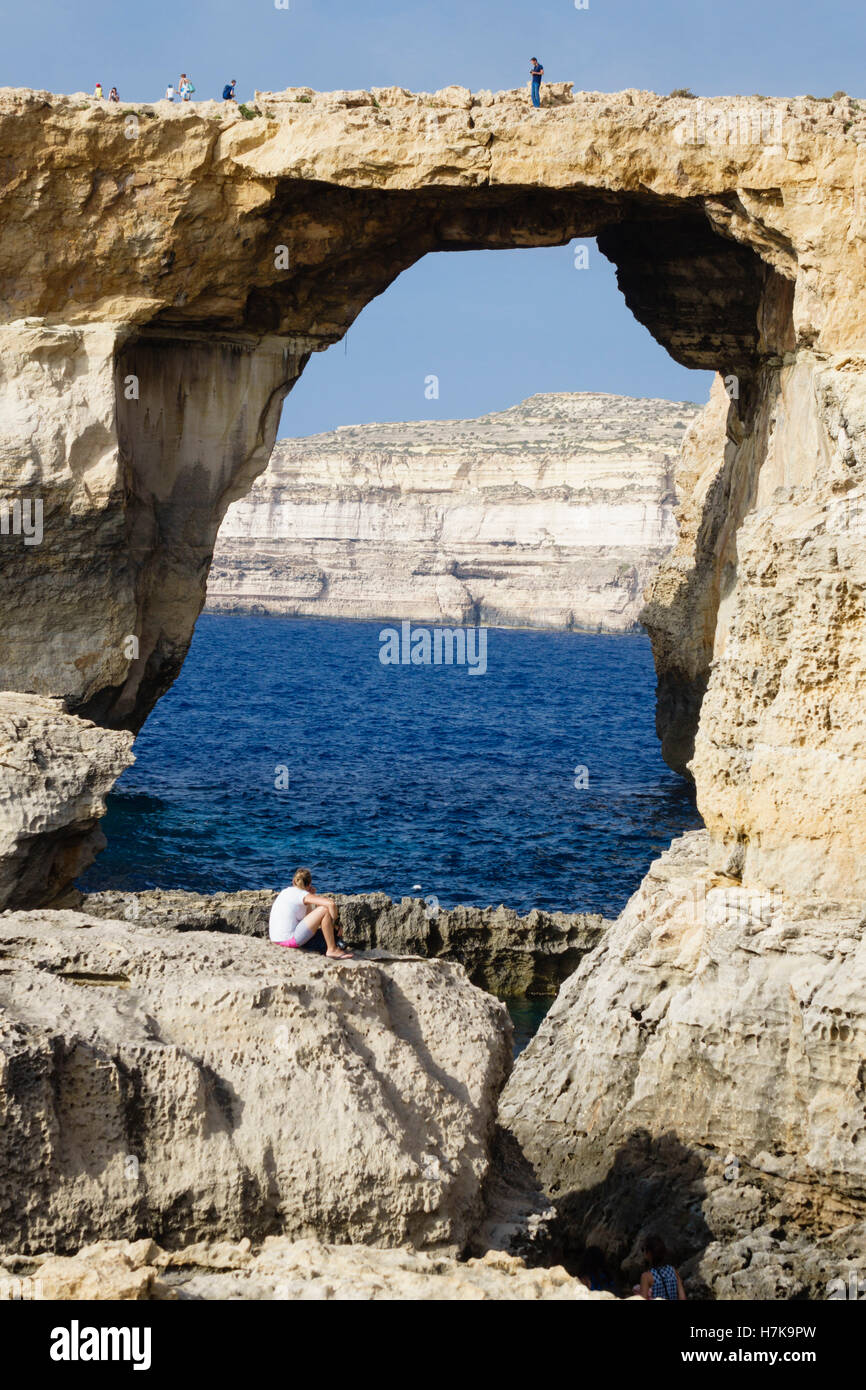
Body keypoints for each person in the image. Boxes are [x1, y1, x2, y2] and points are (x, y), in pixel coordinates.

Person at [269, 867, 353, 960]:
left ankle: (332, 946)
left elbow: (306, 918)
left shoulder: (286, 891)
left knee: (321, 930)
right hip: (288, 940)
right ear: (309, 884)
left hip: (275, 938)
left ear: (293, 881)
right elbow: (331, 904)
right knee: (324, 909)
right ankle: (331, 949)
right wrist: (337, 925)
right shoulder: (302, 895)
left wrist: (310, 898)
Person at [637, 1235, 687, 1300]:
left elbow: (642, 1298)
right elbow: (682, 1298)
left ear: (649, 1253)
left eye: (643, 1249)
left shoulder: (646, 1277)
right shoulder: (673, 1270)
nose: (643, 1252)